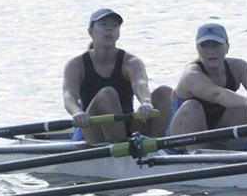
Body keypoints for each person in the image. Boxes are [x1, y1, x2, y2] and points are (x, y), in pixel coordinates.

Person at [61, 9, 172, 144]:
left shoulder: (131, 62)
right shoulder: (76, 65)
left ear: (118, 33)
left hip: (128, 126)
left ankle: (156, 150)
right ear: (90, 31)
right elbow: (69, 95)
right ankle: (121, 150)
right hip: (92, 128)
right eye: (103, 24)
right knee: (107, 94)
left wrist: (146, 102)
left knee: (165, 93)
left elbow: (140, 84)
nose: (109, 29)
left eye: (115, 25)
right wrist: (76, 112)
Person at [167, 22, 247, 149]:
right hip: (179, 139)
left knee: (241, 106)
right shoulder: (191, 74)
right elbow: (219, 95)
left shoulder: (239, 67)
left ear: (227, 47)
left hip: (217, 128)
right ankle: (196, 156)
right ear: (197, 49)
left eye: (216, 45)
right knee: (192, 107)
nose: (211, 51)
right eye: (204, 46)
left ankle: (241, 152)